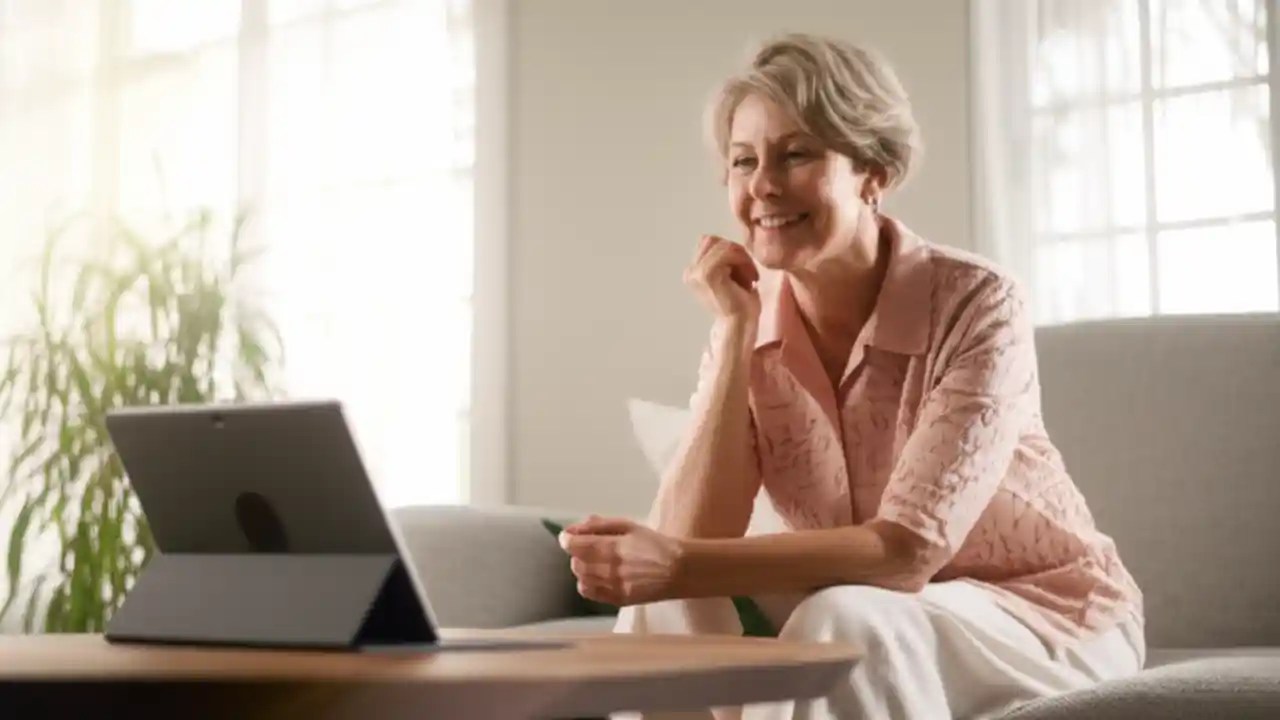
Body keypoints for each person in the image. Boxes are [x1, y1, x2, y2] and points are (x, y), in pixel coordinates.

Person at [557, 33, 1145, 720]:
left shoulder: (977, 302)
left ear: (874, 172)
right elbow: (690, 541)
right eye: (743, 161)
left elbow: (906, 553)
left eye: (797, 153)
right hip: (883, 607)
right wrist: (734, 331)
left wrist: (677, 563)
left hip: (1044, 615)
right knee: (667, 615)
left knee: (841, 625)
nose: (764, 185)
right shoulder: (751, 320)